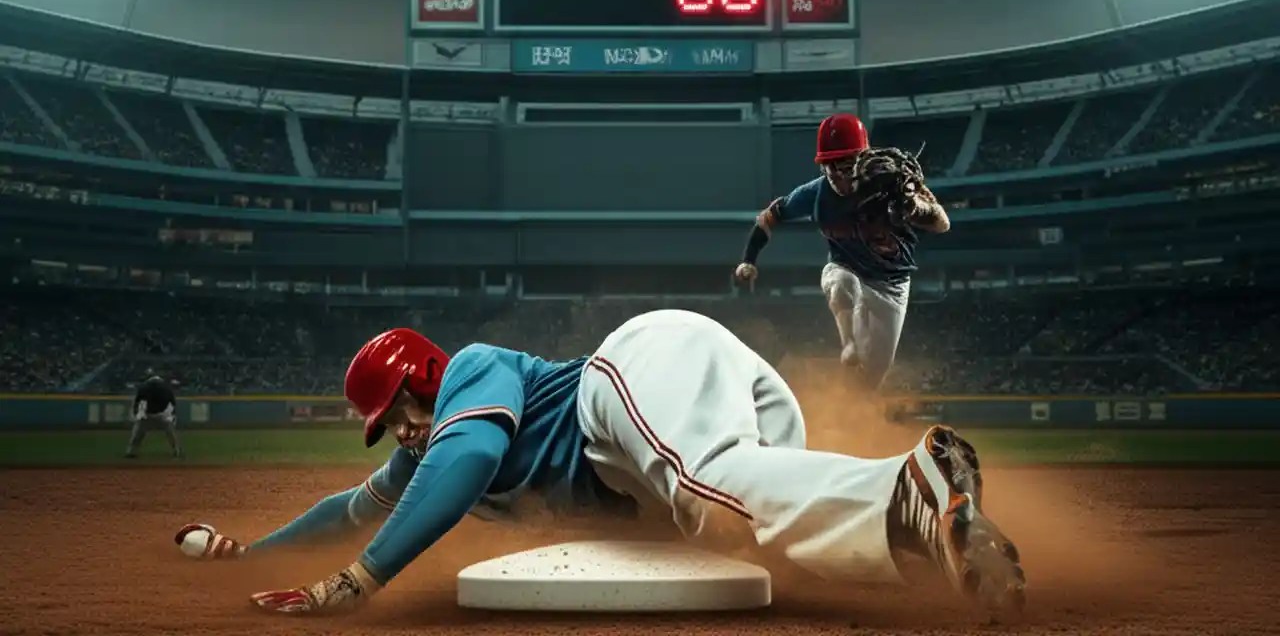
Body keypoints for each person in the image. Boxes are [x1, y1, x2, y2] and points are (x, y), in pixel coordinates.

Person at [175, 312, 1023, 616]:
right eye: (385, 426)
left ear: (425, 377)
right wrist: (254, 555)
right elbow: (351, 508)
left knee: (707, 483)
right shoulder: (421, 452)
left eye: (397, 411)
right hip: (674, 433)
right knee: (752, 533)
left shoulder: (470, 370)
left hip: (631, 380)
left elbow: (469, 459)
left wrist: (358, 581)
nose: (397, 432)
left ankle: (906, 486)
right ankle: (933, 541)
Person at [733, 113, 950, 392]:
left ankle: (852, 405)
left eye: (845, 165)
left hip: (892, 286)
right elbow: (768, 218)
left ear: (862, 160)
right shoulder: (815, 193)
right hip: (846, 268)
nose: (837, 174)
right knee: (840, 282)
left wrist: (914, 207)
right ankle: (848, 342)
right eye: (829, 165)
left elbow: (942, 224)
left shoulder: (892, 187)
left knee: (872, 377)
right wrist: (749, 259)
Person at [125, 373, 182, 458]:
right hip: (162, 415)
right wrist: (172, 415)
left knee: (137, 433)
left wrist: (136, 413)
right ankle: (176, 450)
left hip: (147, 415)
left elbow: (137, 401)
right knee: (171, 433)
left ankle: (131, 451)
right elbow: (172, 403)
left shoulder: (144, 387)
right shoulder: (166, 388)